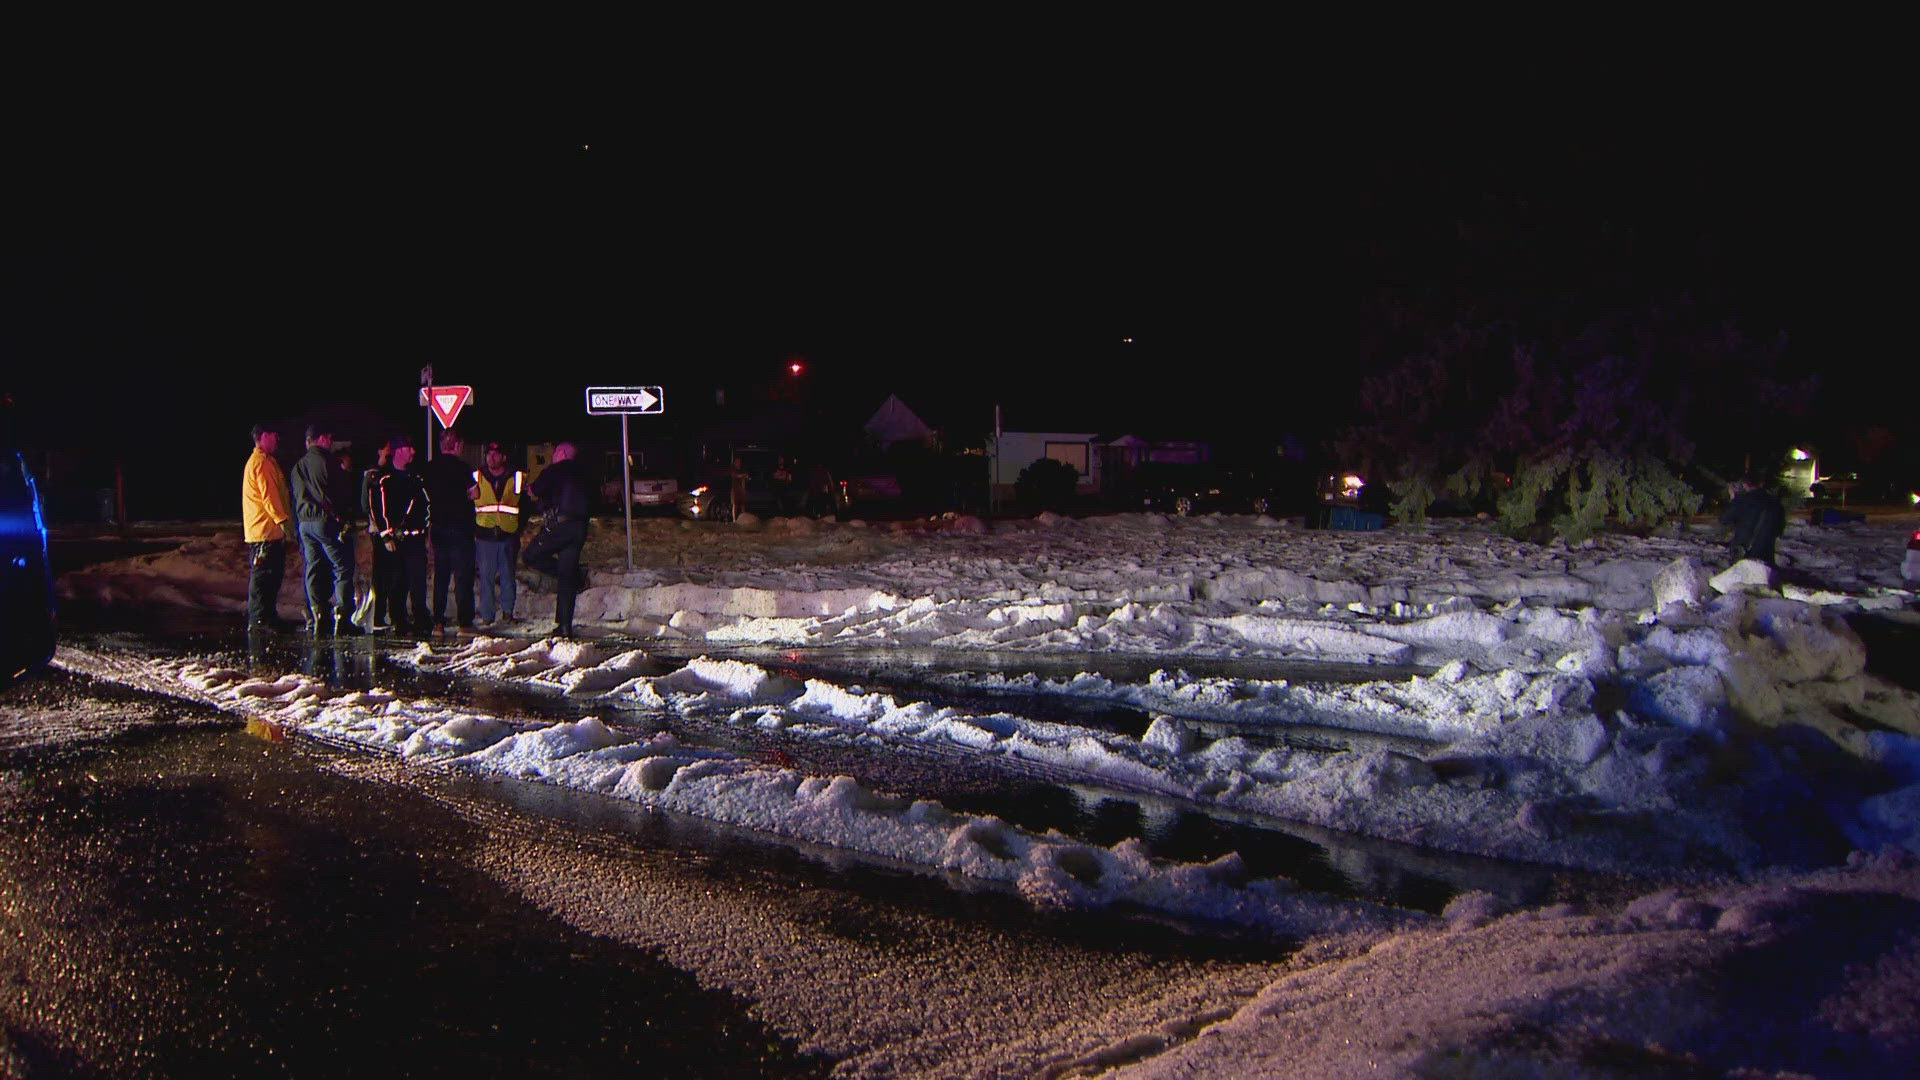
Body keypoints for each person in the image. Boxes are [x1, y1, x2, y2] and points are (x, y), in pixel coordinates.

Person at [288, 423, 361, 636]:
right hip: (325, 521)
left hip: (304, 523)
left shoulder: (298, 466)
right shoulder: (328, 462)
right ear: (321, 439)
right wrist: (344, 518)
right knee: (342, 566)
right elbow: (342, 493)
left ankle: (318, 615)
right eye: (328, 438)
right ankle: (342, 617)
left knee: (313, 567)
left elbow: (294, 496)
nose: (330, 442)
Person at [522, 441, 591, 638]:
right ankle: (564, 626)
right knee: (565, 576)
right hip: (580, 527)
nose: (552, 456)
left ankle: (576, 577)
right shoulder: (585, 472)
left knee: (530, 556)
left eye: (555, 453)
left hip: (561, 526)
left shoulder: (555, 470)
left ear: (561, 453)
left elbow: (536, 490)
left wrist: (531, 491)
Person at [373, 435, 432, 634]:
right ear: (399, 451)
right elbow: (378, 509)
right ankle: (398, 618)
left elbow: (426, 504)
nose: (413, 452)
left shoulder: (415, 478)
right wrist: (386, 534)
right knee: (397, 580)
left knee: (417, 580)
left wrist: (425, 527)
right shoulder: (384, 479)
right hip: (396, 539)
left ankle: (420, 617)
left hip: (415, 537)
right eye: (409, 449)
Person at [423, 429, 480, 634]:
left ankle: (438, 622)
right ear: (456, 446)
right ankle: (464, 623)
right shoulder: (463, 468)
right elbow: (475, 493)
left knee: (441, 575)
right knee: (462, 576)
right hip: (460, 528)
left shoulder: (429, 468)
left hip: (438, 527)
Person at [241, 422, 296, 632]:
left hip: (266, 530)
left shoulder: (265, 461)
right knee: (263, 577)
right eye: (274, 435)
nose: (277, 439)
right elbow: (270, 497)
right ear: (264, 436)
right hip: (265, 532)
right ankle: (259, 619)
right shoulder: (261, 463)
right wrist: (284, 523)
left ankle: (267, 616)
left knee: (270, 576)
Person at [472, 441, 532, 627]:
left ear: (504, 457)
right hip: (484, 535)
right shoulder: (477, 476)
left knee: (508, 575)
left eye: (496, 454)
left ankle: (507, 613)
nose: (491, 457)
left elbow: (526, 504)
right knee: (486, 578)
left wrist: (518, 527)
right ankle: (487, 615)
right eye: (489, 454)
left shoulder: (517, 476)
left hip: (508, 534)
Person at [357, 442, 395, 630]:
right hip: (378, 530)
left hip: (381, 528)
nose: (391, 450)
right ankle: (378, 617)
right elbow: (369, 504)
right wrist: (381, 528)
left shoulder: (382, 472)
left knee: (386, 572)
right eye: (387, 447)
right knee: (380, 573)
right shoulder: (373, 474)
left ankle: (381, 615)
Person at [1722, 476, 1786, 567]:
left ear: (1744, 485)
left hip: (1744, 549)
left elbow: (1724, 519)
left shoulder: (1741, 501)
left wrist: (1733, 499)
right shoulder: (1775, 502)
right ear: (1761, 484)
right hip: (1766, 551)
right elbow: (1780, 530)